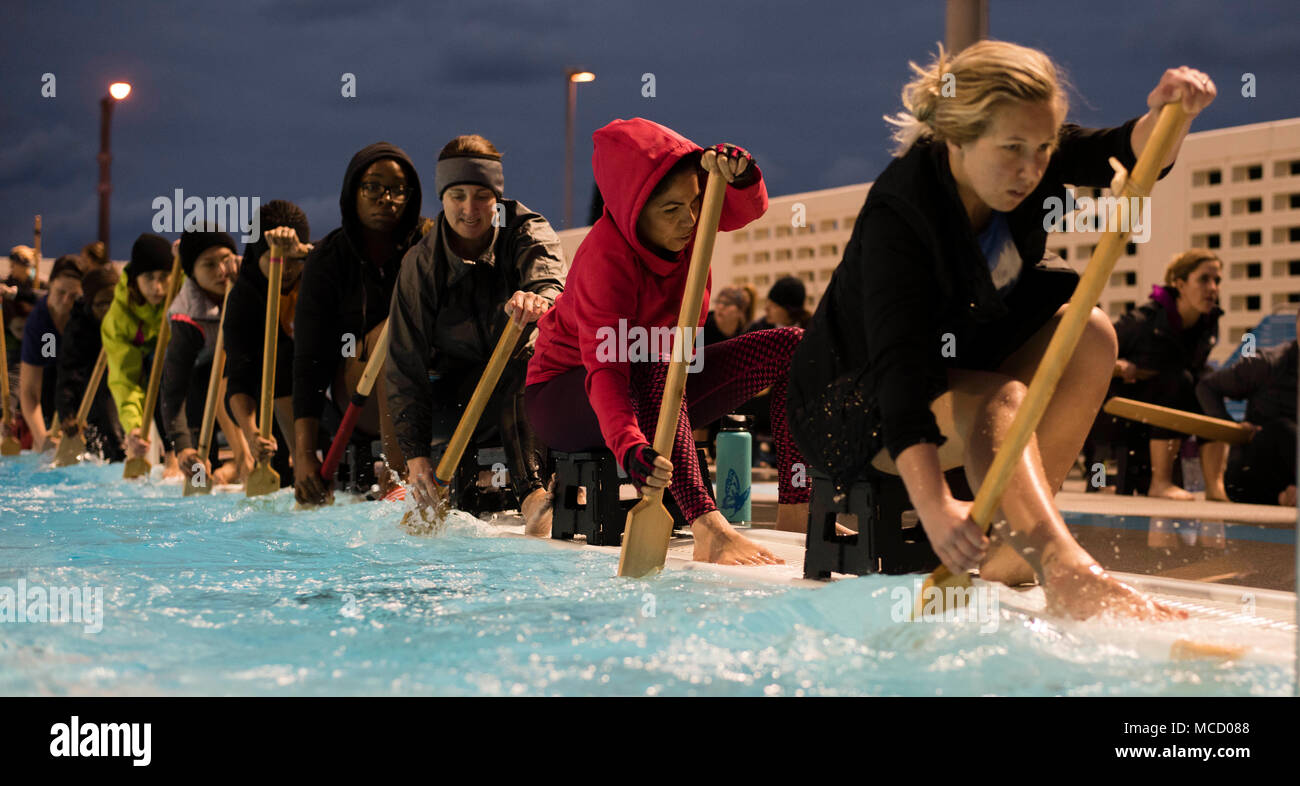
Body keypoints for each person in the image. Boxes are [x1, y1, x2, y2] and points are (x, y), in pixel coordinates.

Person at [786, 40, 1216, 620]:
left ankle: (1014, 558)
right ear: (956, 137)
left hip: (960, 361)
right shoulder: (902, 213)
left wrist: (1171, 116)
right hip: (855, 404)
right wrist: (936, 504)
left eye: (1042, 148)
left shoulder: (1032, 158)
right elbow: (899, 371)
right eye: (1012, 149)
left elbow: (1129, 151)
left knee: (1089, 334)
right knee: (1001, 397)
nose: (1031, 168)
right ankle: (1067, 569)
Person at [526, 117, 810, 565]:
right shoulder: (605, 259)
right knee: (651, 355)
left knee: (794, 347)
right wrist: (628, 446)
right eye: (671, 209)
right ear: (633, 209)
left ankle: (799, 511)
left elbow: (747, 207)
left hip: (660, 384)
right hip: (566, 397)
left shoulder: (692, 228)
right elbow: (608, 372)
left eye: (695, 202)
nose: (690, 220)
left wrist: (744, 172)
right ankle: (707, 527)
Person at [387, 135, 567, 535]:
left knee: (527, 358)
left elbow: (552, 282)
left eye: (482, 196)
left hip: (530, 389)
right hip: (457, 398)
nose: (470, 209)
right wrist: (415, 458)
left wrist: (538, 299)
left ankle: (534, 496)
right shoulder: (420, 265)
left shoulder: (526, 230)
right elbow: (404, 364)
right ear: (443, 198)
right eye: (458, 196)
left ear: (497, 198)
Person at [292, 142, 426, 505]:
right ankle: (397, 478)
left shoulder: (426, 246)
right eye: (373, 187)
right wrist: (304, 456)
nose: (387, 198)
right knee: (391, 331)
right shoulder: (327, 260)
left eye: (398, 189)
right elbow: (309, 360)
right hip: (357, 391)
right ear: (353, 193)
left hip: (427, 385)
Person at [1112, 250, 1226, 500]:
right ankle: (1160, 483)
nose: (1213, 288)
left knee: (1208, 384)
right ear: (1180, 284)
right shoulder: (1145, 320)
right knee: (1177, 380)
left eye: (1217, 280)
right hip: (1125, 399)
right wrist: (1119, 364)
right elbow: (1096, 349)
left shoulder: (1208, 321)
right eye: (1204, 279)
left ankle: (1215, 486)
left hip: (1172, 395)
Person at [224, 201, 313, 490]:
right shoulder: (243, 298)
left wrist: (306, 255)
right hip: (274, 404)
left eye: (294, 258)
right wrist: (251, 434)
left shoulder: (318, 275)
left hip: (326, 393)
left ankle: (306, 459)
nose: (286, 269)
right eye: (277, 259)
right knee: (281, 360)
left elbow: (350, 259)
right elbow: (238, 378)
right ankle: (296, 462)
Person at [160, 228, 250, 485]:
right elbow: (173, 392)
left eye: (226, 259)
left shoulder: (248, 280)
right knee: (199, 465)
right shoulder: (186, 318)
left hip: (243, 378)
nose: (222, 270)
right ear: (192, 272)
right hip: (198, 387)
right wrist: (183, 446)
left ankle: (244, 461)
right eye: (209, 265)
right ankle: (237, 462)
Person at [1195, 310, 1298, 506]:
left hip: (1289, 480)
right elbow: (1207, 387)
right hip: (1253, 474)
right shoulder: (1267, 364)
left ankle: (1288, 497)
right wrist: (1231, 428)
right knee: (1285, 430)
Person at [103, 233, 180, 478]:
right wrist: (133, 426)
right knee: (154, 375)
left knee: (169, 371)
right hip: (147, 364)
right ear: (136, 279)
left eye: (163, 277)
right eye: (149, 278)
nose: (158, 287)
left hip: (182, 357)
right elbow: (124, 379)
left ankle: (179, 457)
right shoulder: (119, 316)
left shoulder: (183, 281)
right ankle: (162, 452)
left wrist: (190, 251)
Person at [56, 265, 126, 461]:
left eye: (113, 302)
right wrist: (67, 413)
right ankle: (114, 449)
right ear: (89, 304)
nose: (108, 309)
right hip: (92, 388)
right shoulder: (79, 327)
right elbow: (68, 372)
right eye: (101, 304)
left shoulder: (129, 316)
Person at [18, 256, 82, 451]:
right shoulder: (39, 323)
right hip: (46, 384)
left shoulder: (82, 317)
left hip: (77, 385)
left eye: (73, 296)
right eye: (60, 292)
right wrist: (42, 436)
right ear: (50, 285)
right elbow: (29, 391)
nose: (65, 301)